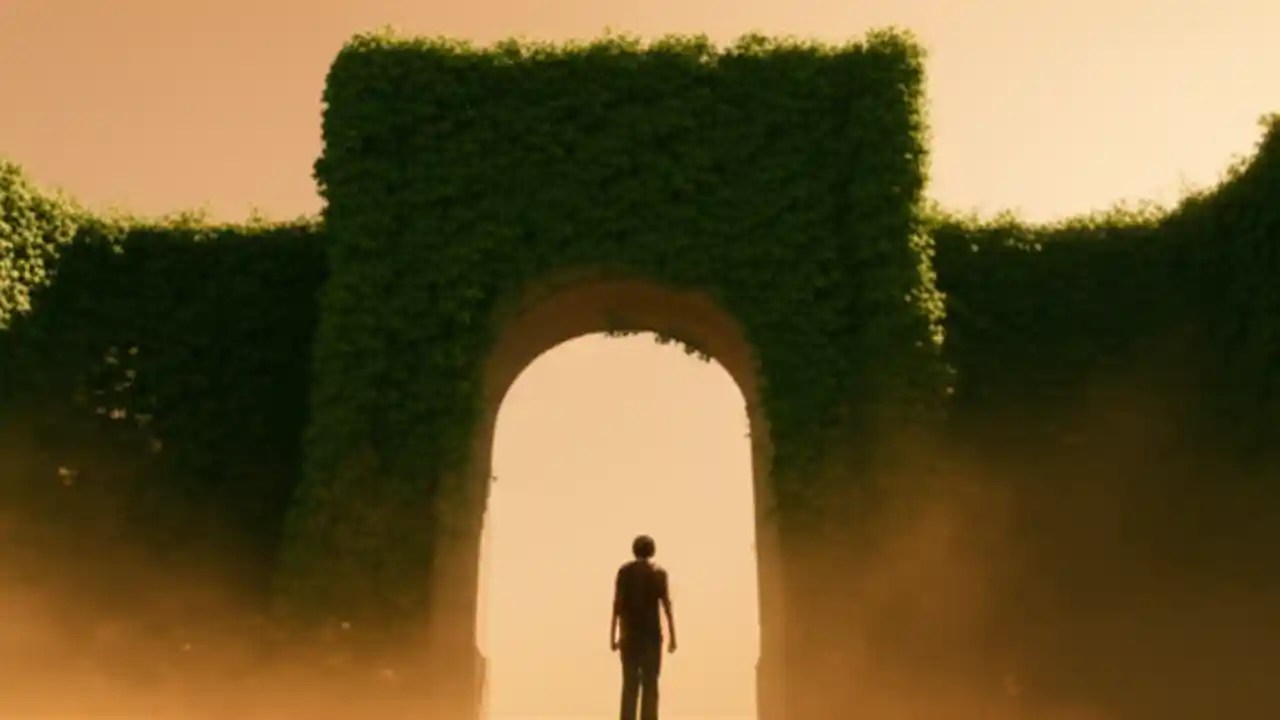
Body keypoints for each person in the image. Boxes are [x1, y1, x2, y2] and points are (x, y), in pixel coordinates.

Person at [610, 534, 677, 720]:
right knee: (651, 684)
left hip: (629, 636)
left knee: (630, 684)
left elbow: (617, 606)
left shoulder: (624, 573)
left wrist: (613, 636)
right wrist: (673, 637)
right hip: (651, 638)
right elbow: (666, 606)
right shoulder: (658, 574)